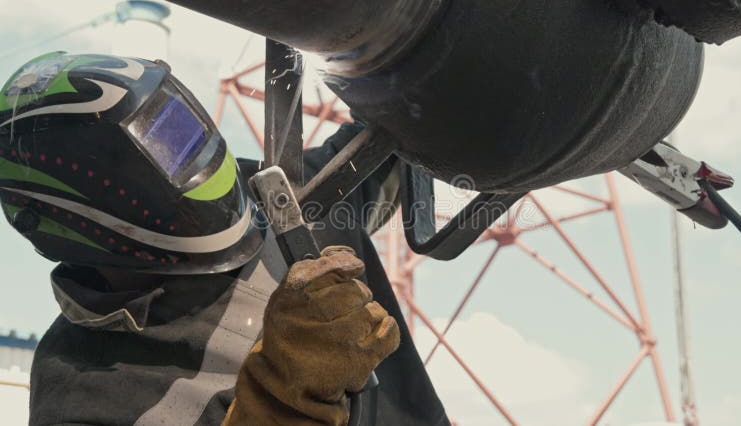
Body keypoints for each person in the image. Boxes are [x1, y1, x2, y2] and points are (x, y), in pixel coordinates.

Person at [0, 52, 448, 425]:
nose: (192, 160)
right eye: (163, 147)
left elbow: (389, 145)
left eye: (181, 131)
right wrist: (281, 403)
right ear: (80, 211)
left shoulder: (276, 195)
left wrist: (433, 67)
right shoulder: (80, 397)